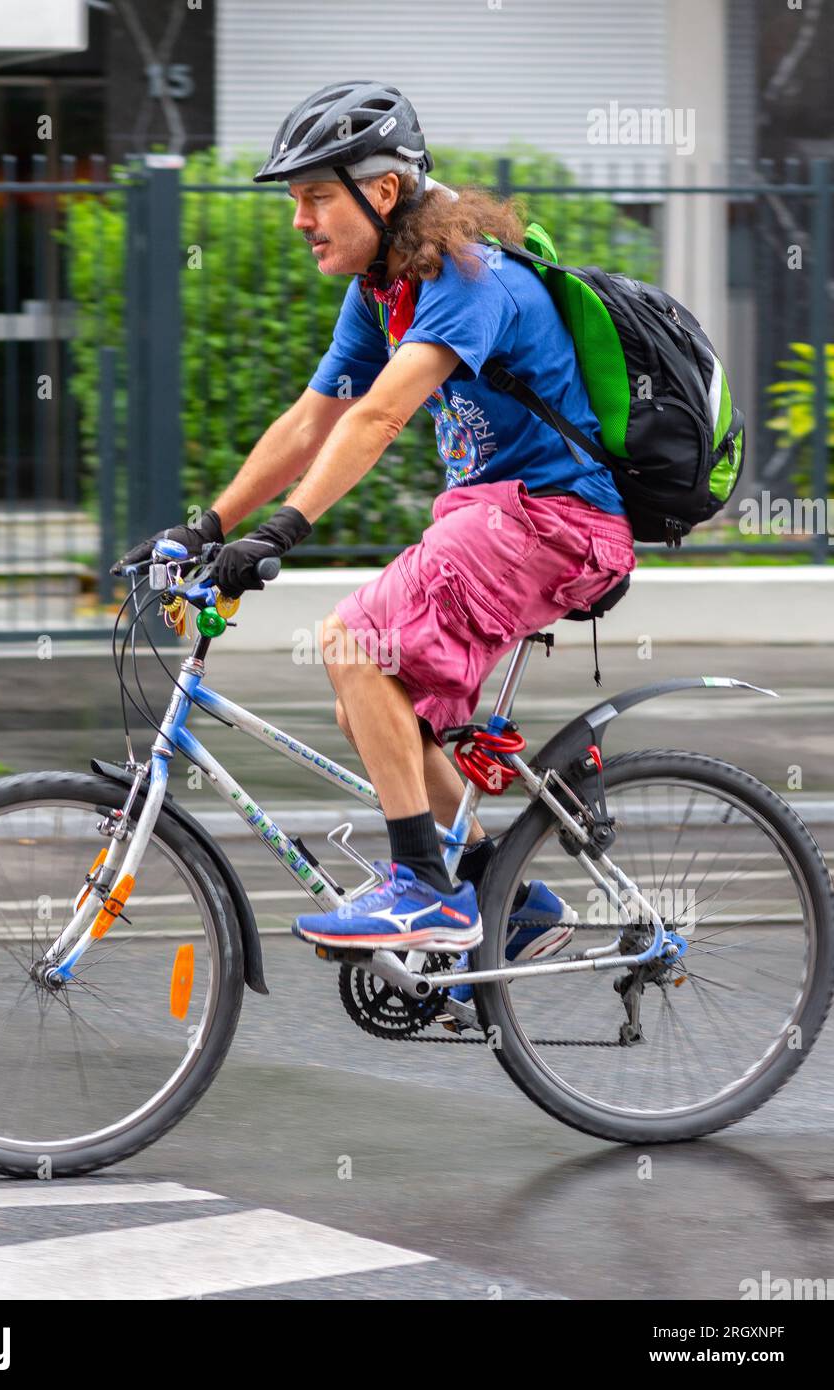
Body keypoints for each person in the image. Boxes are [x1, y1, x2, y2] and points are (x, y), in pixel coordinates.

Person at [115, 80, 635, 978]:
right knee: (375, 703)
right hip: (494, 520)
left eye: (315, 196)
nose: (298, 220)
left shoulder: (467, 274)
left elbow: (378, 417)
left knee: (355, 644)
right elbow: (313, 418)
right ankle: (498, 896)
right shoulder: (380, 288)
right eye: (294, 200)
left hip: (558, 522)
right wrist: (206, 526)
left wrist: (278, 534)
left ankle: (427, 894)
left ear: (381, 192)